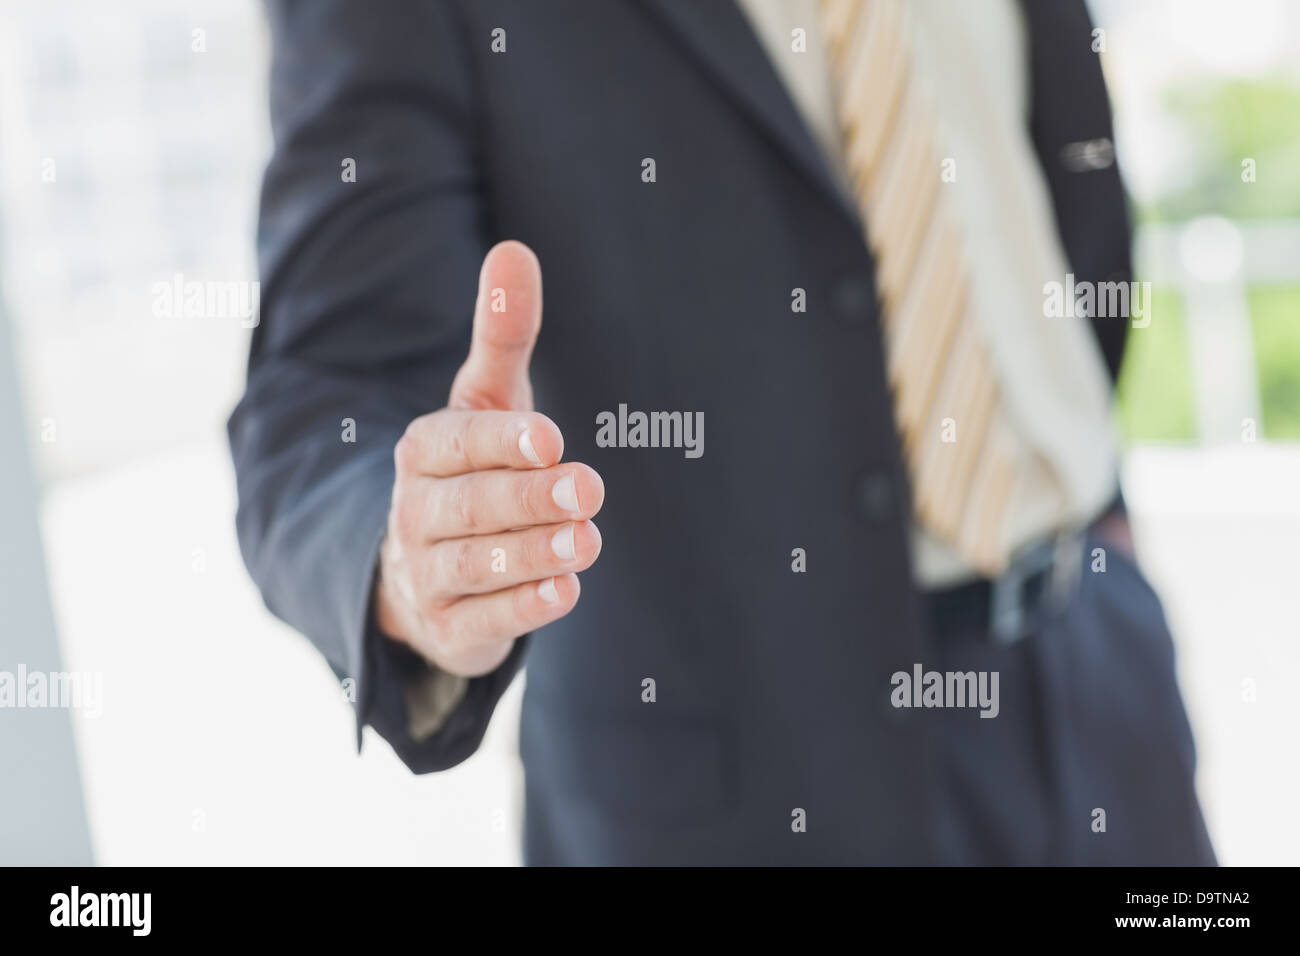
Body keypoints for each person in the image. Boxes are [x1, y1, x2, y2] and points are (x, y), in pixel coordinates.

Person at [230, 0, 1216, 864]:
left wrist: (1105, 531)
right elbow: (321, 391)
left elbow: (1041, 204)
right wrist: (411, 558)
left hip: (1097, 682)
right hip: (732, 779)